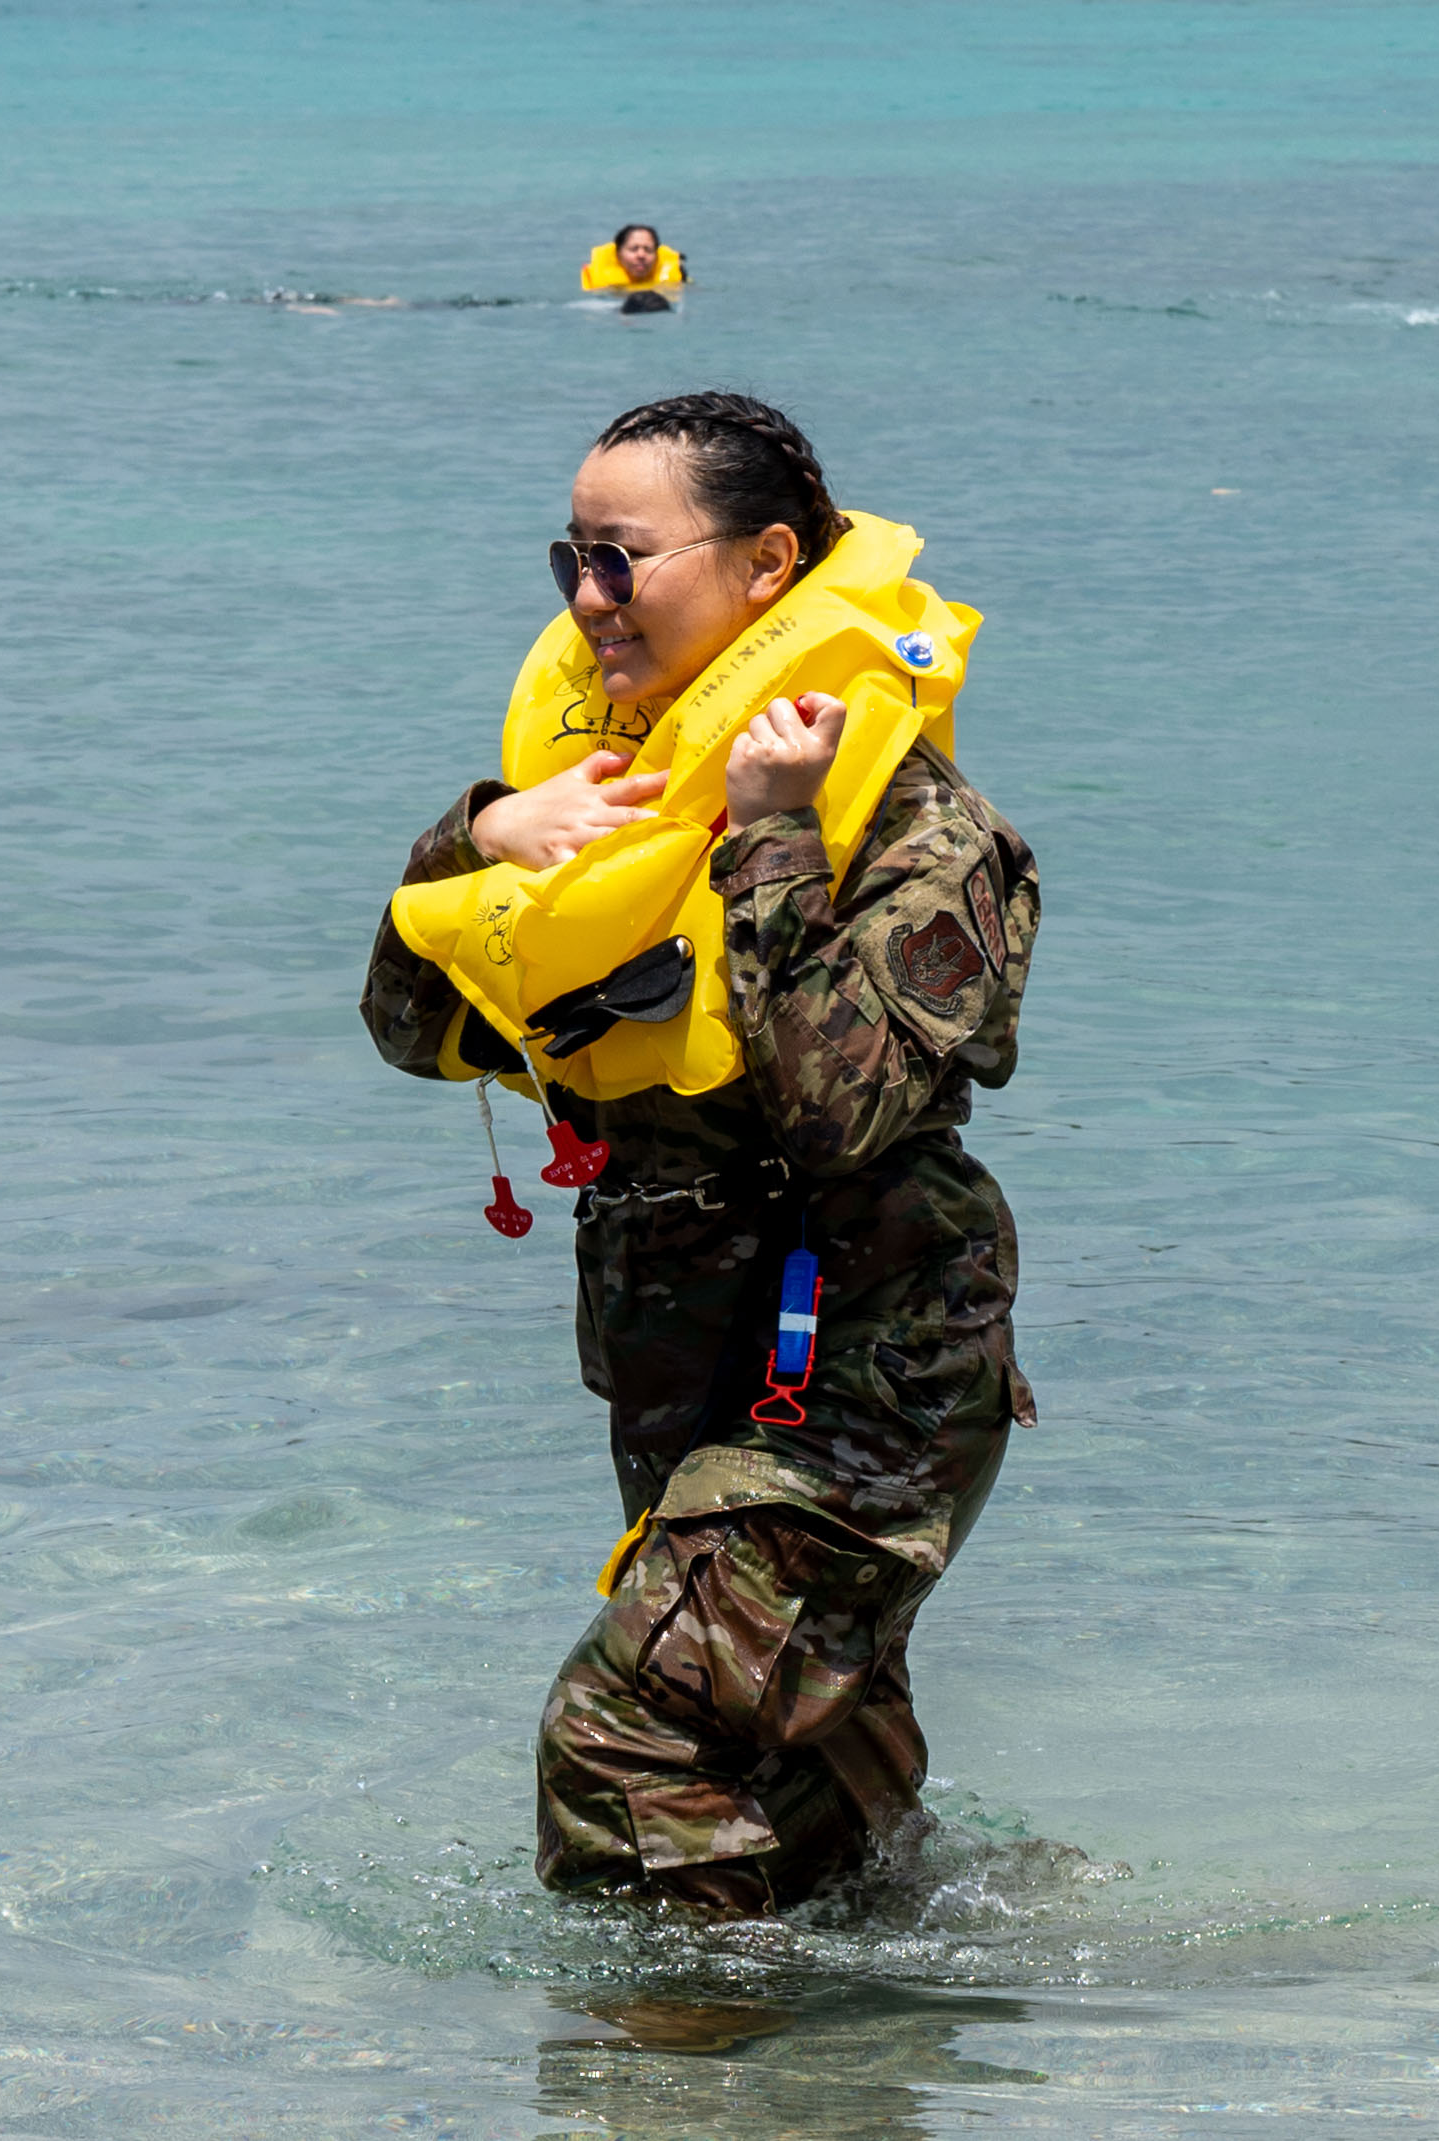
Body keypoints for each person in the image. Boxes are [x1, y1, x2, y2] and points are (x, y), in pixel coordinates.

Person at [357, 391, 1040, 1917]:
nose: (587, 599)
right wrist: (476, 840)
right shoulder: (596, 797)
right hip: (684, 1354)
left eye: (621, 558)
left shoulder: (925, 839)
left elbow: (836, 1111)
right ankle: (862, 2062)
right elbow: (415, 1032)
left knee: (626, 1739)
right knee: (803, 1792)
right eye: (567, 561)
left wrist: (779, 844)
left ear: (767, 564)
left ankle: (669, 2074)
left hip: (864, 1372)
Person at [581, 224, 689, 313]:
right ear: (618, 254)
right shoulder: (598, 292)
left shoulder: (678, 280)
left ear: (657, 255)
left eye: (648, 250)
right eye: (633, 249)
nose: (641, 255)